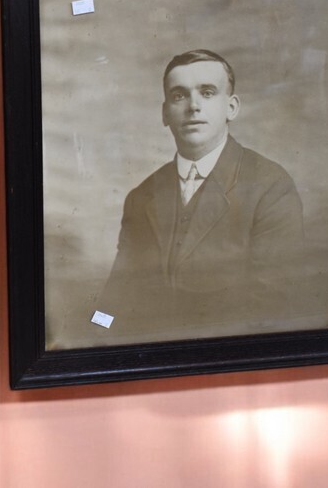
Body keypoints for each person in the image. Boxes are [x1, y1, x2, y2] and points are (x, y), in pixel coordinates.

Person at [91, 49, 304, 337]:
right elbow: (115, 295)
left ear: (231, 107)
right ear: (165, 113)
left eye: (207, 93)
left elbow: (272, 305)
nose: (193, 106)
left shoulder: (271, 187)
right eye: (179, 95)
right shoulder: (141, 197)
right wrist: (94, 336)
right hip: (151, 351)